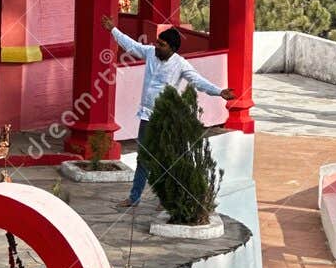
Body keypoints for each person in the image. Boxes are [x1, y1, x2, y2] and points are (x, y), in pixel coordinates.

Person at [101, 15, 237, 208]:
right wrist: (112, 30)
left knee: (165, 159)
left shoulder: (180, 64)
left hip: (165, 119)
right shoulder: (149, 53)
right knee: (143, 157)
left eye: (162, 45)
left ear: (172, 49)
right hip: (147, 116)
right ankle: (134, 198)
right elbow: (130, 45)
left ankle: (166, 199)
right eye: (158, 42)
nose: (157, 46)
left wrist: (219, 92)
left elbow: (198, 81)